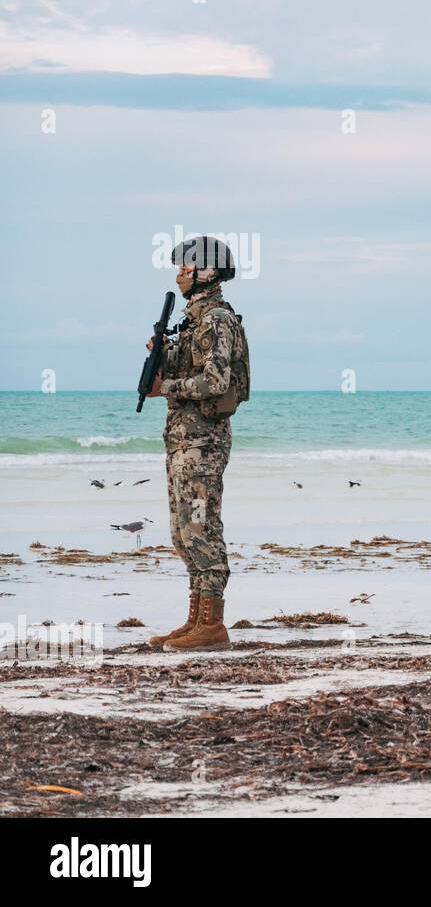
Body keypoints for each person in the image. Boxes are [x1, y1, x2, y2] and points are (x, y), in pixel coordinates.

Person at [145, 236, 250, 652]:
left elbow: (216, 382)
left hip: (203, 441)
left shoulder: (217, 319)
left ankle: (213, 625)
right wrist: (163, 356)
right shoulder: (195, 320)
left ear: (206, 271)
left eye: (186, 267)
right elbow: (192, 371)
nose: (180, 274)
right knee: (182, 532)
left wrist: (166, 384)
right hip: (184, 438)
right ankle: (196, 620)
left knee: (201, 528)